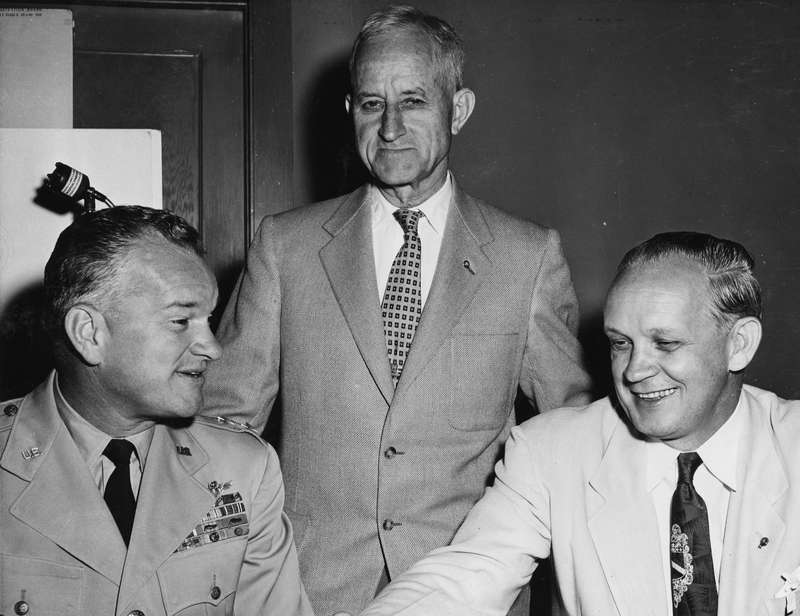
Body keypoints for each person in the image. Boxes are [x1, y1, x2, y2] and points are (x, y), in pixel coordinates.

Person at [203, 5, 594, 615]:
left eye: (413, 101)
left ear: (457, 110)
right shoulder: (286, 247)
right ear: (350, 111)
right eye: (371, 103)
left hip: (467, 597)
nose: (390, 128)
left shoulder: (526, 257)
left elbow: (575, 437)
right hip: (309, 594)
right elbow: (222, 428)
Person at [343, 231, 800, 616]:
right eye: (620, 343)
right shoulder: (550, 452)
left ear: (739, 344)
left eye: (665, 343)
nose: (634, 370)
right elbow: (462, 581)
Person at [0, 206, 313, 616]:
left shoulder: (243, 468)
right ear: (89, 333)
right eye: (181, 320)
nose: (213, 348)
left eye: (208, 319)